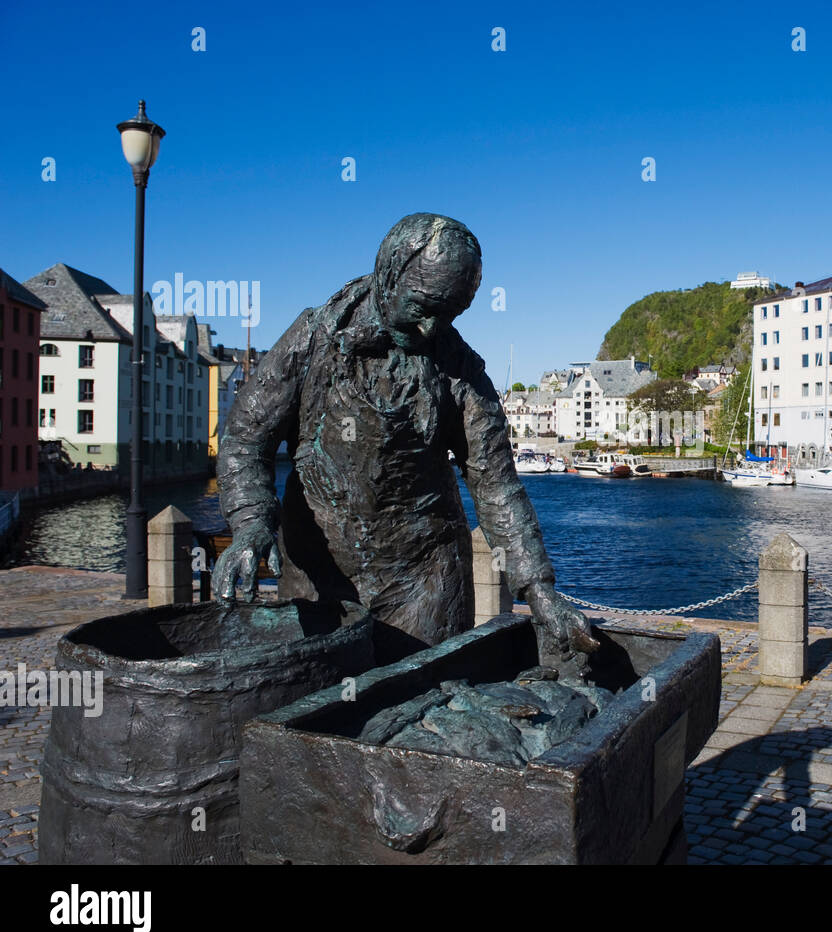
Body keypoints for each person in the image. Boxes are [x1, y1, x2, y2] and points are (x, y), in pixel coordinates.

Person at [213, 213, 597, 676]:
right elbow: (245, 440)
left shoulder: (461, 372)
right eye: (423, 305)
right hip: (319, 571)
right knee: (320, 709)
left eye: (450, 313)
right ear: (389, 273)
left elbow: (495, 485)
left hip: (425, 576)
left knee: (423, 701)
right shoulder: (314, 339)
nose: (432, 328)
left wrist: (540, 592)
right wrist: (252, 523)